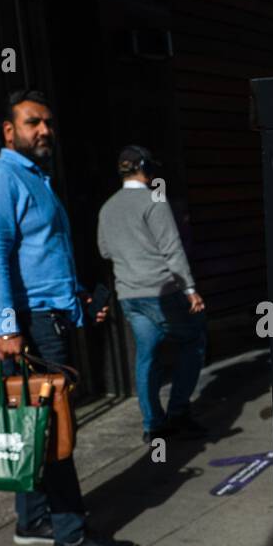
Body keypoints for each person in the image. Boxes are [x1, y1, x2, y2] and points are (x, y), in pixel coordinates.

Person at [0, 89, 136, 546]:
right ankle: (71, 534)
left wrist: (80, 300)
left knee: (33, 422)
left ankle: (34, 518)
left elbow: (43, 259)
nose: (43, 130)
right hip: (27, 323)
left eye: (47, 122)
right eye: (31, 122)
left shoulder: (35, 179)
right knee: (53, 425)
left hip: (46, 316)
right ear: (9, 131)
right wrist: (5, 326)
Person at [97, 145, 208, 443]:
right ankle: (179, 412)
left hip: (129, 295)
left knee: (147, 354)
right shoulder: (154, 199)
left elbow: (105, 250)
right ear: (144, 167)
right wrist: (190, 289)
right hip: (161, 290)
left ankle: (153, 424)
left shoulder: (107, 207)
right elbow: (172, 248)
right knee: (194, 341)